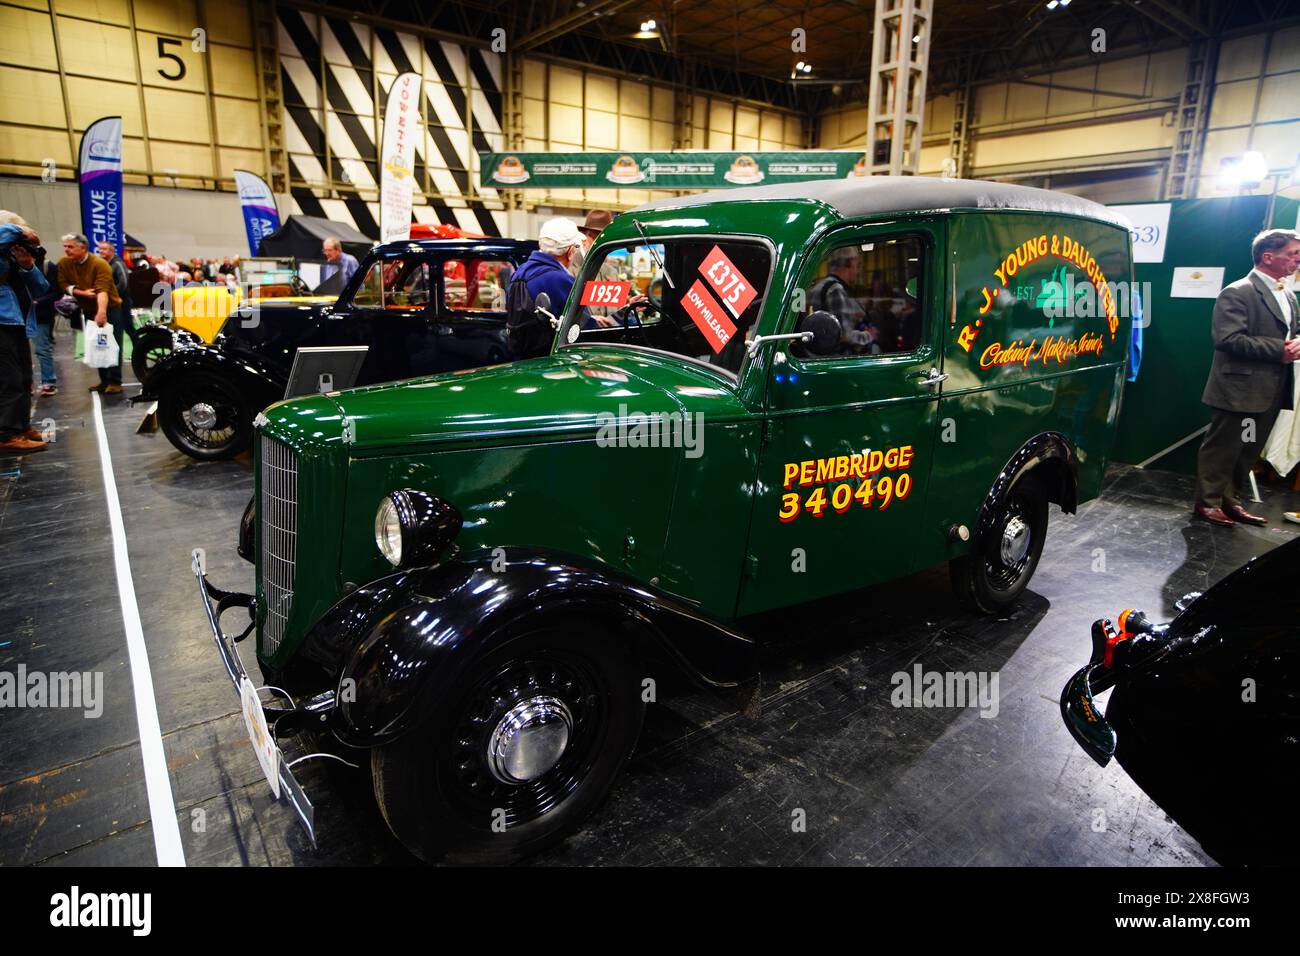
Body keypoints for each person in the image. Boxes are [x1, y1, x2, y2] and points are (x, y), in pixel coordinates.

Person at [1193, 228, 1300, 526]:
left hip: (1270, 390)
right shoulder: (1238, 291)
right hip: (1237, 390)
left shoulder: (1287, 295)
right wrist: (1280, 349)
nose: (1298, 260)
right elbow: (1228, 339)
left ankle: (1230, 501)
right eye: (1293, 254)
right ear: (1268, 256)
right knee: (1223, 449)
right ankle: (1208, 502)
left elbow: (1292, 332)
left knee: (1247, 449)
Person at [0, 217, 50, 452]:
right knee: (9, 380)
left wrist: (27, 264)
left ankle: (21, 426)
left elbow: (42, 289)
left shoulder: (13, 257)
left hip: (17, 323)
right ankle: (7, 434)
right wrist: (22, 229)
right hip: (2, 324)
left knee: (24, 378)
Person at [57, 233, 123, 394]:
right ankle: (104, 380)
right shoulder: (64, 263)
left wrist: (101, 312)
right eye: (65, 246)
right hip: (88, 309)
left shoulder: (100, 264)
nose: (66, 250)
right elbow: (63, 283)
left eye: (70, 247)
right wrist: (82, 293)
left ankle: (115, 381)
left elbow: (102, 291)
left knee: (112, 343)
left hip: (110, 308)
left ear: (83, 248)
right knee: (97, 344)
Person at [32, 252, 60, 395]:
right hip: (18, 313)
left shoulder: (47, 266)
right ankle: (25, 383)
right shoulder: (12, 264)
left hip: (41, 314)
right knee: (17, 352)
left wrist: (38, 301)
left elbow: (56, 292)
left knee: (42, 349)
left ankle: (48, 381)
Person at [97, 239, 134, 344]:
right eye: (100, 249)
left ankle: (139, 350)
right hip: (113, 302)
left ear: (111, 251)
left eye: (104, 249)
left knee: (128, 328)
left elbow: (124, 283)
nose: (101, 251)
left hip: (122, 301)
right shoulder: (105, 264)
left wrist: (111, 295)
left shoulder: (117, 263)